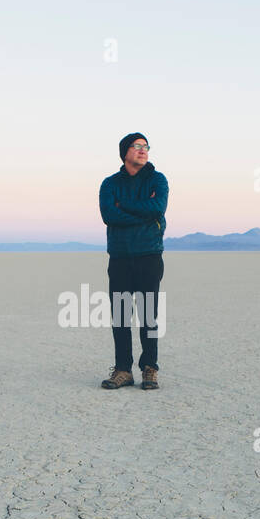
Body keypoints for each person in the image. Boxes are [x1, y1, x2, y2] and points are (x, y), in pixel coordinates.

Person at [98, 132, 168, 390]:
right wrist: (142, 212)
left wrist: (124, 205)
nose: (142, 150)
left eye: (145, 146)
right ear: (124, 152)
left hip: (149, 255)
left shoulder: (157, 180)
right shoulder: (109, 183)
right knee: (120, 316)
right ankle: (123, 370)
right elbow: (109, 214)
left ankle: (150, 368)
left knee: (148, 315)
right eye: (136, 146)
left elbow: (157, 208)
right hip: (120, 257)